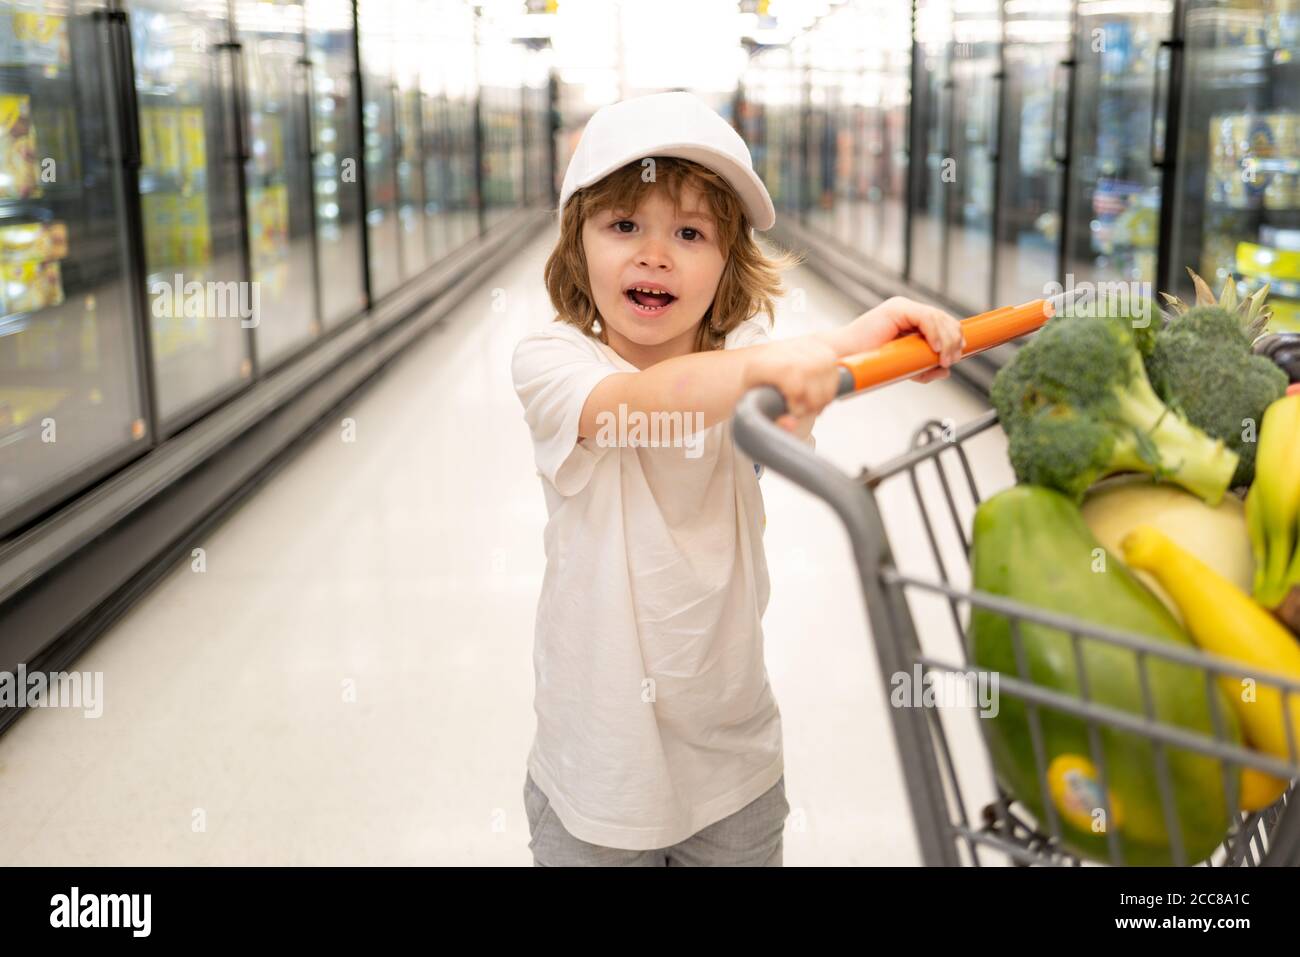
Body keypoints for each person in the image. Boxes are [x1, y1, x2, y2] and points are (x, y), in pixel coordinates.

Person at [510, 91, 964, 866]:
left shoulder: (744, 353)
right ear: (576, 244)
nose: (655, 254)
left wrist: (868, 335)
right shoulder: (554, 362)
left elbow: (787, 375)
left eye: (691, 233)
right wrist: (774, 363)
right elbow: (639, 403)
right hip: (597, 769)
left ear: (727, 265)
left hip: (732, 757)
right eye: (624, 226)